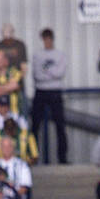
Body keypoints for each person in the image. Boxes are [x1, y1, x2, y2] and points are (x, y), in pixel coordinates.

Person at [30, 28, 68, 164]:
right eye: (44, 39)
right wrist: (52, 73)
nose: (47, 41)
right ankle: (33, 157)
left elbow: (60, 73)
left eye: (49, 39)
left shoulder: (60, 54)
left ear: (52, 39)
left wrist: (46, 71)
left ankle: (62, 158)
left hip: (55, 92)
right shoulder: (37, 55)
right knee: (35, 125)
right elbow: (36, 75)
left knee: (60, 126)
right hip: (41, 91)